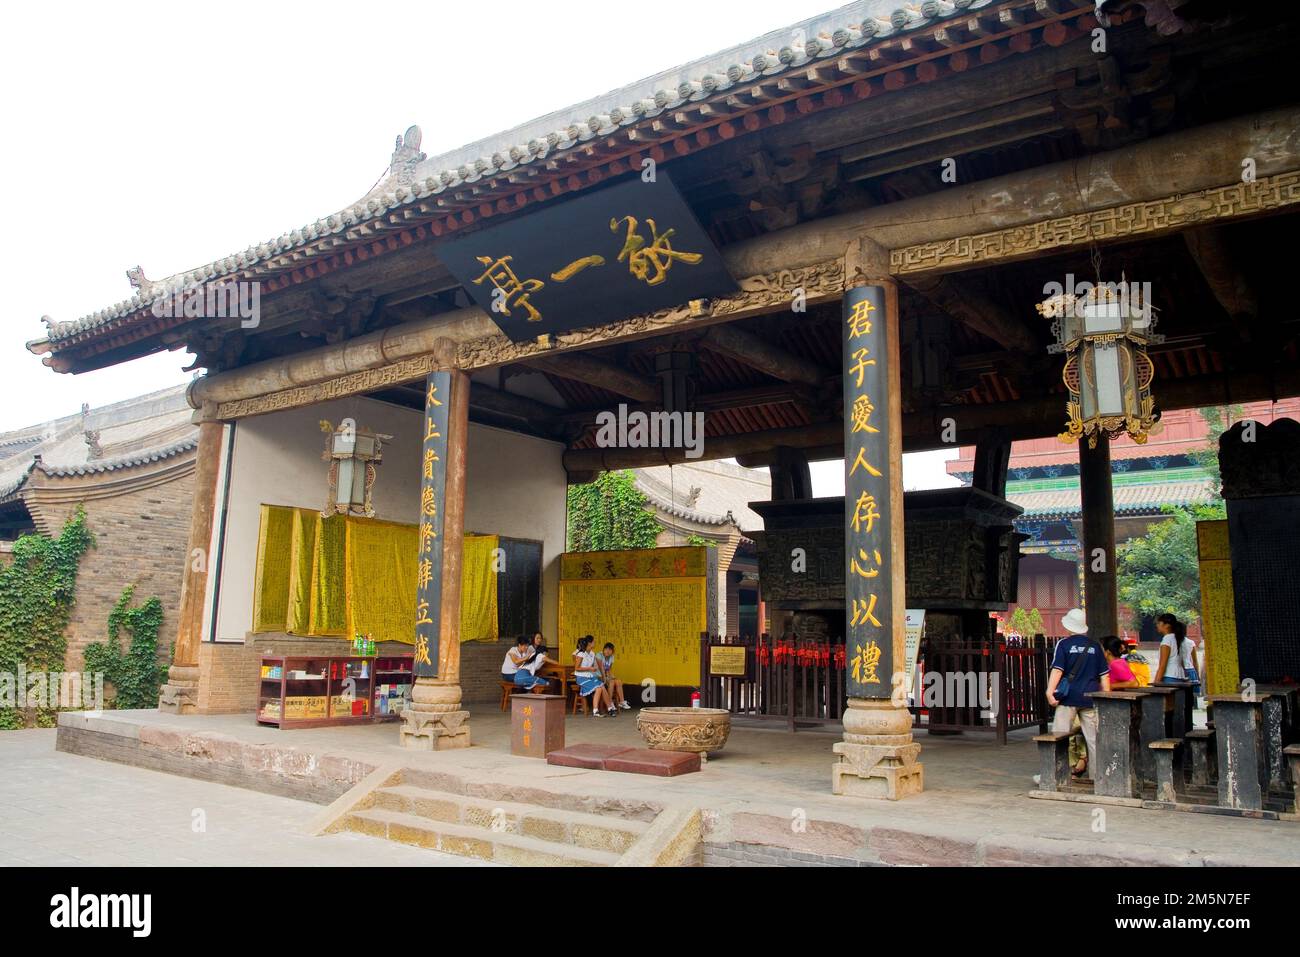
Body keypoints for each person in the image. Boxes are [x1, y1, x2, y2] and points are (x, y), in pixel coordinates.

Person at [1046, 608, 1111, 778]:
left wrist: (1050, 692)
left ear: (1068, 626)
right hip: (1091, 698)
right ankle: (1098, 777)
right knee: (1094, 740)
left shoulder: (1064, 644)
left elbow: (1058, 671)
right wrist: (1107, 698)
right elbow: (1105, 677)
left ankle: (1056, 775)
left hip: (1068, 697)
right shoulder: (1096, 647)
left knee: (1059, 737)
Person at [573, 635, 616, 716]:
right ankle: (595, 711)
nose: (595, 643)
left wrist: (596, 671)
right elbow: (577, 668)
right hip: (581, 678)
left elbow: (595, 666)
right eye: (593, 642)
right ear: (589, 643)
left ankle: (610, 708)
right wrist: (589, 668)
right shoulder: (581, 653)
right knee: (599, 688)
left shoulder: (592, 653)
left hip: (590, 676)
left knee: (602, 686)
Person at [1155, 613, 1198, 692]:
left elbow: (1162, 666)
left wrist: (1156, 683)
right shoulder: (1179, 638)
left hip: (1170, 677)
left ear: (1167, 625)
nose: (1157, 625)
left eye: (1159, 623)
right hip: (1181, 677)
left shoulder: (1167, 640)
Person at [599, 642, 631, 710]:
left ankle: (622, 701)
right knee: (612, 682)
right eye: (606, 649)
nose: (607, 651)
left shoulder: (611, 657)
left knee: (618, 681)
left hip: (606, 675)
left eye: (610, 650)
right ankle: (610, 702)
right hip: (599, 676)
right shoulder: (599, 655)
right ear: (603, 649)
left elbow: (609, 669)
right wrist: (607, 678)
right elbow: (600, 669)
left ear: (612, 651)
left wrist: (612, 676)